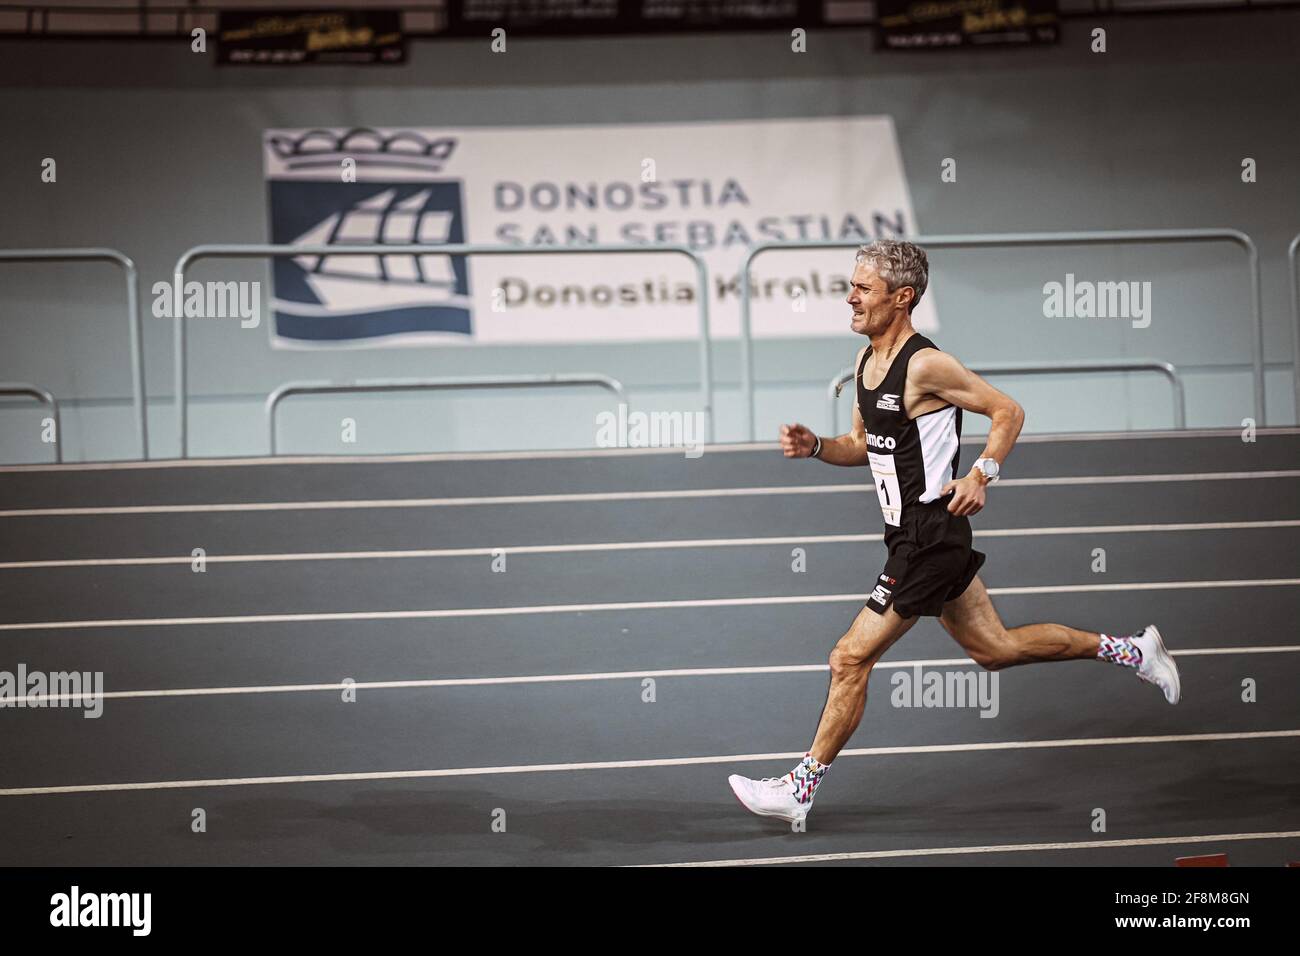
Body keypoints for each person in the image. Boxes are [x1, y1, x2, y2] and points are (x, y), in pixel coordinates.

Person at [728, 238, 1181, 825]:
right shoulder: (866, 364)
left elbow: (1007, 411)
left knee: (848, 658)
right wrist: (816, 447)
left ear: (902, 297)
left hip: (931, 536)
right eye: (853, 285)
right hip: (907, 535)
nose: (851, 297)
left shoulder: (926, 364)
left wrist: (982, 473)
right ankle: (1134, 651)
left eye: (864, 288)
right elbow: (863, 447)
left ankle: (800, 787)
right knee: (995, 650)